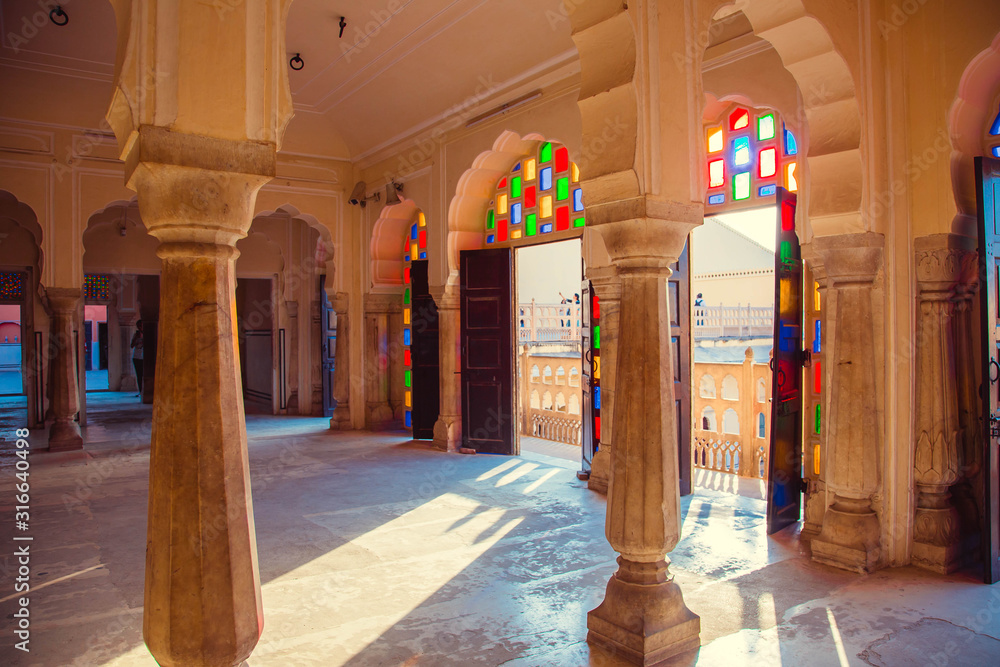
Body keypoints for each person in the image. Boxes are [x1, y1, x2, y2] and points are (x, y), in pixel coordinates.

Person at [131, 320, 144, 398]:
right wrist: (136, 338)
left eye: (141, 326)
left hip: (145, 357)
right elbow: (132, 345)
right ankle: (141, 391)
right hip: (137, 357)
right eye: (138, 326)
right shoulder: (136, 335)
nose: (140, 327)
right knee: (139, 375)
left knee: (145, 375)